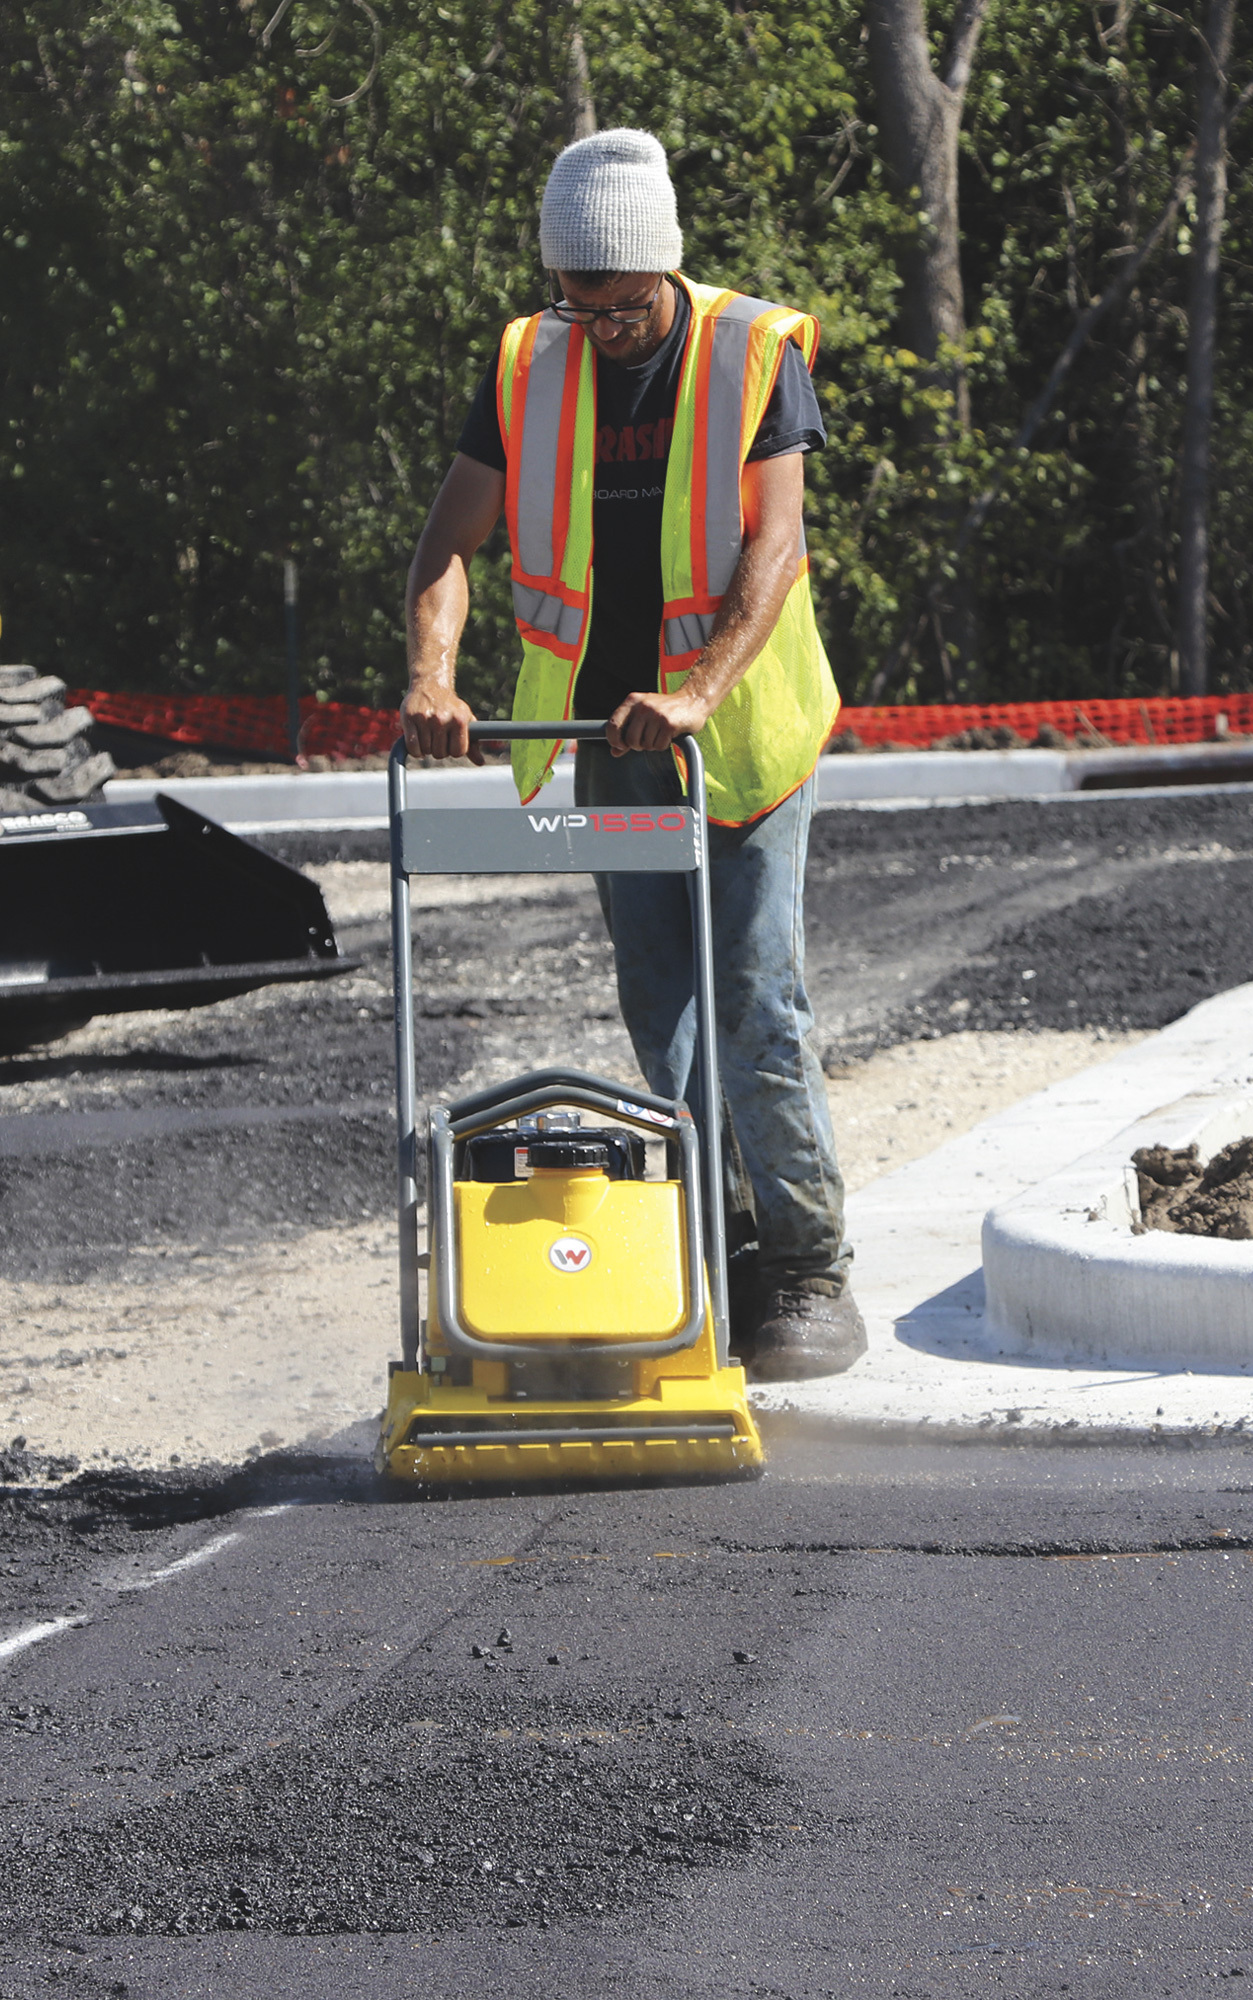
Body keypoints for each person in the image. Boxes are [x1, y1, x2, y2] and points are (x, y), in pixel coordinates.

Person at [399, 128, 864, 1380]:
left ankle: (807, 1263)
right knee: (658, 999)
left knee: (754, 987)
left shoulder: (749, 355)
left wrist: (700, 689)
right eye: (573, 301)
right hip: (599, 733)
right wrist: (431, 677)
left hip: (741, 728)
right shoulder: (523, 364)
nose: (595, 327)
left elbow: (773, 546)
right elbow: (448, 540)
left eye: (618, 304)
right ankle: (717, 1236)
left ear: (661, 269)